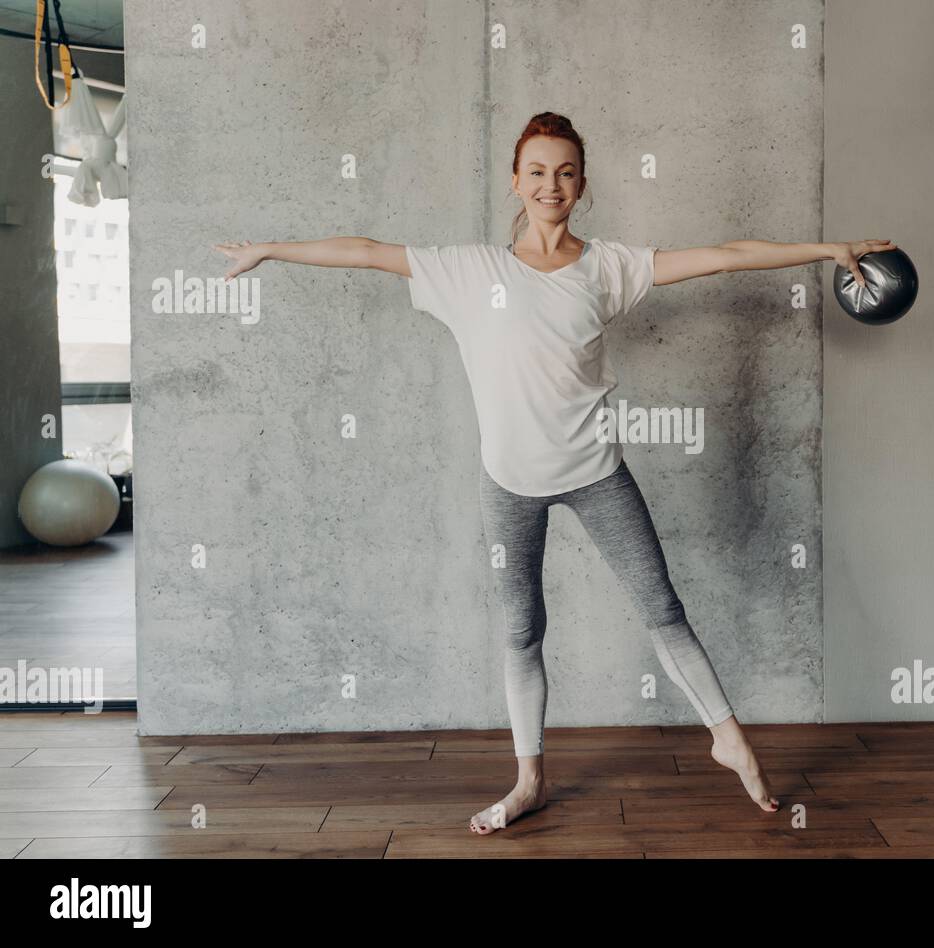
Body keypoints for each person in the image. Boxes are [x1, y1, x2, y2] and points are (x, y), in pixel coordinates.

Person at [215, 111, 895, 835]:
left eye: (566, 172)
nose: (551, 184)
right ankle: (529, 780)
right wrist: (270, 250)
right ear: (516, 180)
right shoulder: (468, 270)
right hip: (508, 483)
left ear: (582, 186)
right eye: (537, 171)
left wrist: (828, 249)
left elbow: (724, 255)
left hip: (596, 472)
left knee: (664, 610)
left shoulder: (607, 266)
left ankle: (728, 737)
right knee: (522, 631)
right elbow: (366, 250)